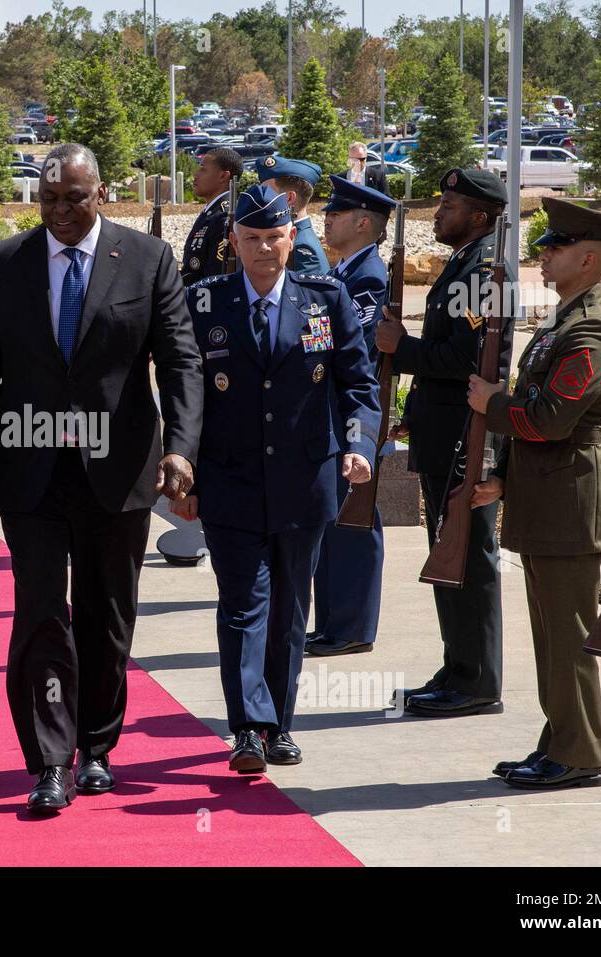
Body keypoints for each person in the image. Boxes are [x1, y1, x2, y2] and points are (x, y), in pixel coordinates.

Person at [0, 142, 203, 815]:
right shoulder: (5, 262)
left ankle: (97, 747)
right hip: (30, 472)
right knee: (40, 614)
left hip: (118, 471)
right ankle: (48, 758)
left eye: (73, 197)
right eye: (48, 199)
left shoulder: (149, 260)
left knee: (107, 615)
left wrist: (181, 450)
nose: (60, 211)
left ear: (100, 193)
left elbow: (181, 361)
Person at [171, 185, 379, 772]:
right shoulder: (204, 302)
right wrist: (182, 463)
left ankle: (280, 725)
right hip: (230, 480)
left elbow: (359, 386)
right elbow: (185, 395)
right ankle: (248, 728)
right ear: (233, 242)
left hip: (305, 481)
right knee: (242, 605)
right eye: (252, 238)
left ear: (293, 236)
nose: (264, 248)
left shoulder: (325, 298)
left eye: (274, 237)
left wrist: (358, 446)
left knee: (290, 609)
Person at [468, 198, 601, 789]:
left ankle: (580, 755)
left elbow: (551, 420)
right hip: (547, 497)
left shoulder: (592, 328)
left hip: (571, 502)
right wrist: (504, 477)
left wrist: (493, 405)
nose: (544, 254)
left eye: (555, 247)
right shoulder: (563, 319)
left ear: (588, 259)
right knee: (552, 636)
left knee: (570, 639)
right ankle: (559, 740)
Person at [374, 167, 517, 717]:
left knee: (469, 559)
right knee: (447, 554)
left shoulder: (480, 271)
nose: (439, 213)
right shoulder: (466, 266)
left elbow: (468, 361)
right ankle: (459, 666)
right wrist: (416, 412)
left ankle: (477, 680)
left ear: (479, 217)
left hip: (466, 435)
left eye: (450, 205)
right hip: (446, 430)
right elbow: (453, 354)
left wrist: (401, 348)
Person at [307, 174, 396, 657]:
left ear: (363, 223)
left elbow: (353, 347)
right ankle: (336, 622)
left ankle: (352, 625)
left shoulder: (367, 277)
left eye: (336, 215)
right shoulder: (346, 271)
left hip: (350, 414)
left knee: (353, 520)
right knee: (336, 519)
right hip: (337, 412)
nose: (327, 220)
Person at [256, 155, 329, 273]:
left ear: (289, 198)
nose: (261, 198)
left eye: (266, 192)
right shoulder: (297, 238)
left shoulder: (302, 247)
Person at [180, 147, 241, 285]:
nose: (196, 175)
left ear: (223, 176)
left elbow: (216, 276)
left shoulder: (224, 216)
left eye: (203, 169)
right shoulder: (212, 212)